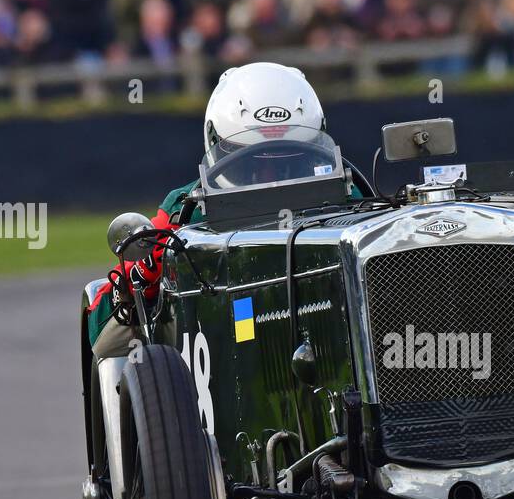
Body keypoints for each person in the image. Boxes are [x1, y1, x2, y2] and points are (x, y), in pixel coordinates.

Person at [87, 62, 331, 357]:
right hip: (231, 349)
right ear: (219, 146)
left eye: (288, 158)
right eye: (253, 163)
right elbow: (100, 339)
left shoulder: (350, 194)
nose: (270, 176)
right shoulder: (186, 208)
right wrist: (147, 271)